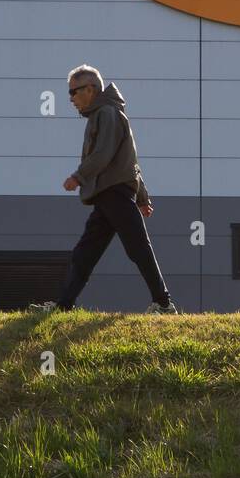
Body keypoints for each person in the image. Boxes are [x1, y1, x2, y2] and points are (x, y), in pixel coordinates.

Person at [31, 64, 177, 313]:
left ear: (90, 89)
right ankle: (64, 305)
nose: (71, 99)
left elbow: (105, 153)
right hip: (108, 195)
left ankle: (163, 304)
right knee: (86, 253)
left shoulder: (107, 113)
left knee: (138, 248)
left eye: (74, 92)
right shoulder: (107, 113)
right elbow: (131, 161)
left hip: (115, 193)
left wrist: (78, 176)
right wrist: (142, 197)